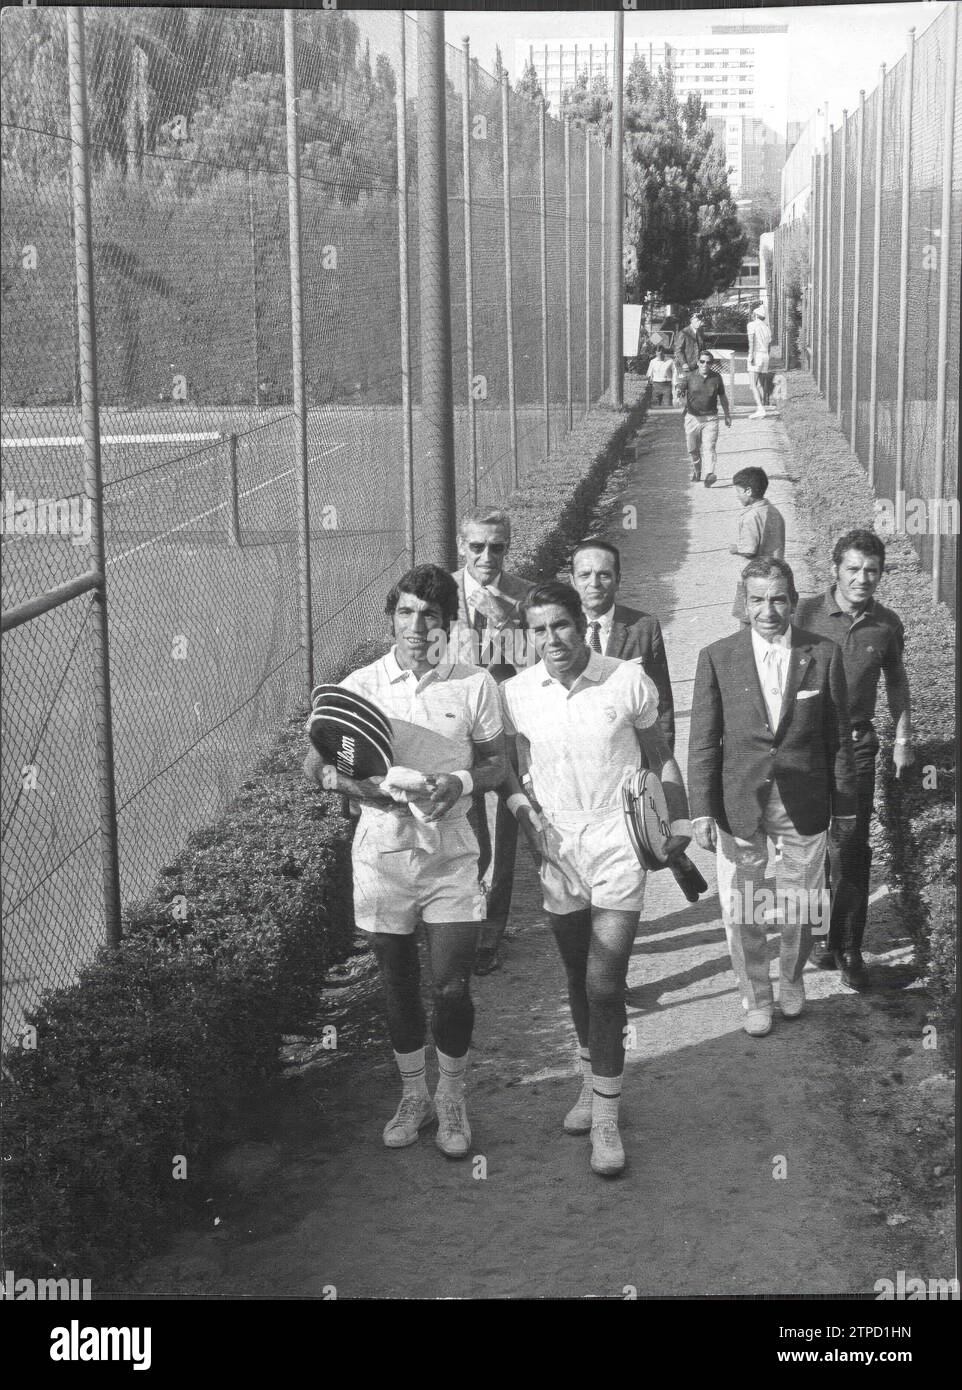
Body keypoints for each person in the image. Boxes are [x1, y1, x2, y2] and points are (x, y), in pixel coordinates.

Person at [303, 564, 507, 1158]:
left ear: (448, 625)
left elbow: (498, 765)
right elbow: (317, 762)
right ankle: (413, 1095)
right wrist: (354, 787)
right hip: (382, 857)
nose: (416, 627)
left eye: (429, 617)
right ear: (391, 616)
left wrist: (462, 782)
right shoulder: (360, 685)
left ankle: (451, 1097)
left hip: (450, 856)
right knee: (396, 984)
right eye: (405, 613)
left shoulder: (474, 685)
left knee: (449, 987)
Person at [499, 581, 693, 1177]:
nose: (551, 639)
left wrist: (677, 820)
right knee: (577, 977)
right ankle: (592, 1082)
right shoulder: (515, 694)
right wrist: (524, 815)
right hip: (556, 848)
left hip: (617, 843)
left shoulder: (626, 678)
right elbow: (507, 768)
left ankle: (607, 1119)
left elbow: (661, 754)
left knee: (606, 983)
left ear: (581, 624)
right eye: (539, 629)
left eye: (560, 625)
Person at [688, 557, 858, 1037]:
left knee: (803, 899)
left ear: (793, 600)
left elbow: (839, 737)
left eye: (778, 598)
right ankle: (755, 995)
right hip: (740, 798)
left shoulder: (822, 653)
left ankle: (792, 979)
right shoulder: (718, 656)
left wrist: (843, 805)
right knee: (744, 901)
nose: (768, 610)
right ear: (743, 602)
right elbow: (703, 739)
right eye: (758, 599)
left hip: (802, 797)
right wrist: (701, 809)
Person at [795, 529, 914, 991]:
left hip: (857, 746)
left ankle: (847, 946)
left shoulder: (887, 624)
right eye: (853, 569)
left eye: (872, 571)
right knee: (808, 846)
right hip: (804, 746)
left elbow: (898, 682)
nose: (862, 578)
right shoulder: (803, 612)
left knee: (851, 845)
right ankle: (818, 935)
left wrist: (903, 736)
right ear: (835, 570)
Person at [448, 507, 534, 976]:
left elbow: (539, 669)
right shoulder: (441, 593)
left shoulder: (523, 596)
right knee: (461, 830)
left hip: (502, 731)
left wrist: (505, 619)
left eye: (497, 547)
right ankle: (455, 922)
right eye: (477, 546)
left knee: (501, 836)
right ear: (462, 546)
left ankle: (487, 935)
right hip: (453, 730)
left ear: (508, 547)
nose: (487, 556)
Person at [569, 536, 675, 749]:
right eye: (584, 575)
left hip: (632, 756)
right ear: (572, 581)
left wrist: (661, 763)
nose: (594, 584)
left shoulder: (643, 627)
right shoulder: (559, 631)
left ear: (618, 580)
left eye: (604, 575)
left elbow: (660, 703)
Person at [729, 467, 786, 624]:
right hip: (776, 573)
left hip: (755, 576)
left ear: (748, 491)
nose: (737, 496)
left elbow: (749, 549)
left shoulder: (750, 516)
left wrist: (736, 549)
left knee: (747, 619)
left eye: (738, 492)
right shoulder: (774, 511)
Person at [677, 348, 731, 486]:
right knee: (693, 449)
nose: (705, 365)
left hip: (710, 419)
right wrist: (678, 393)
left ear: (712, 364)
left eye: (708, 362)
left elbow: (723, 397)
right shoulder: (690, 376)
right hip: (692, 418)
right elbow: (680, 387)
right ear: (698, 362)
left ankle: (709, 475)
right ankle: (697, 471)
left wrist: (727, 415)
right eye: (702, 362)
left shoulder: (716, 377)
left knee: (709, 447)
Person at [747, 305, 773, 419]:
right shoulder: (767, 327)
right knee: (760, 384)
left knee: (753, 384)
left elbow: (751, 341)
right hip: (765, 355)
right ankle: (762, 407)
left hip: (756, 354)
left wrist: (751, 356)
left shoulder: (751, 325)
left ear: (756, 315)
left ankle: (760, 408)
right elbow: (769, 345)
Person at [673, 310, 705, 381]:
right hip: (686, 366)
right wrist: (684, 363)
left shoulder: (700, 332)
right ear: (691, 321)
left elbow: (702, 348)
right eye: (697, 321)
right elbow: (678, 350)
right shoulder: (684, 332)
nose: (699, 322)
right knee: (684, 386)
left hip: (697, 366)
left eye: (700, 321)